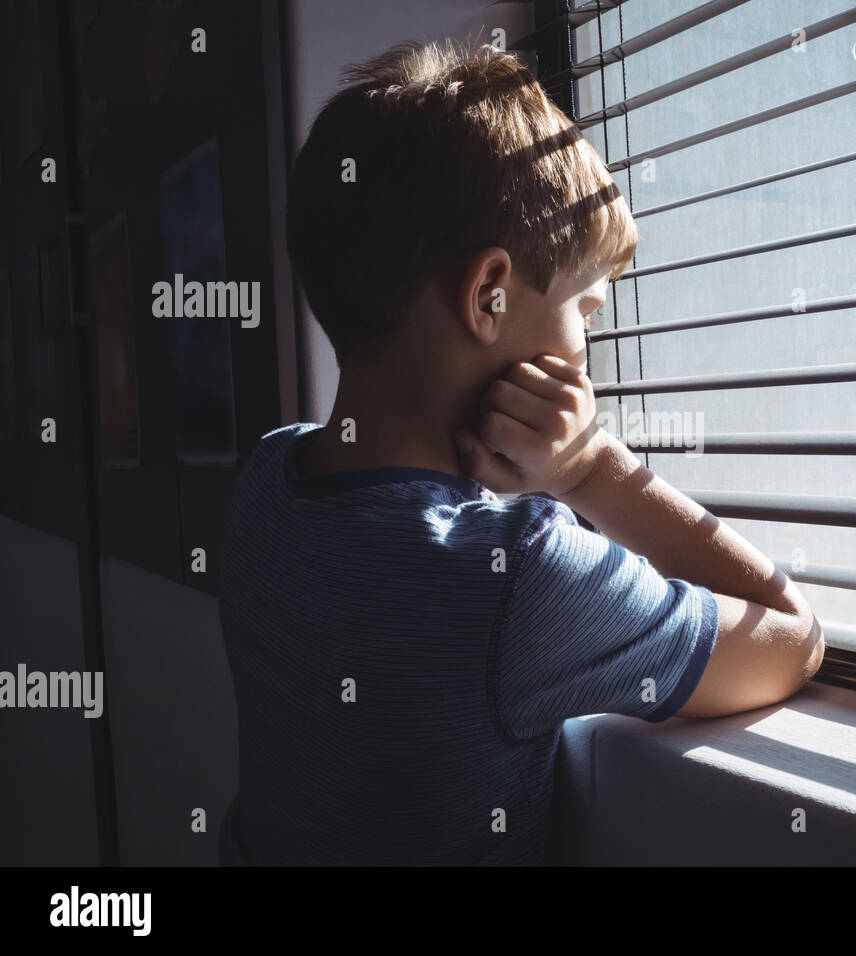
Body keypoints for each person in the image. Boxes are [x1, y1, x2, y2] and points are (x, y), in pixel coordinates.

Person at [217, 37, 823, 865]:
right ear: (488, 296)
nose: (587, 349)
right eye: (588, 311)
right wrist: (589, 470)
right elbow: (792, 636)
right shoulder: (519, 577)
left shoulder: (262, 488)